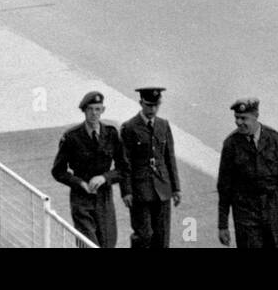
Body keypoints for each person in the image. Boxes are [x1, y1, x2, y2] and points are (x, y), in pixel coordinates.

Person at [217, 98, 278, 249]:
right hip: (246, 214)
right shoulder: (231, 144)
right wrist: (222, 225)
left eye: (243, 118)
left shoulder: (274, 139)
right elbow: (224, 188)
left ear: (256, 116)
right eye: (236, 118)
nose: (239, 122)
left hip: (272, 212)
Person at [51, 90, 128, 248]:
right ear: (84, 111)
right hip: (81, 199)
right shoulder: (72, 137)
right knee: (88, 244)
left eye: (97, 109)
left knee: (108, 242)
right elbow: (58, 171)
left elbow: (124, 168)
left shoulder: (111, 134)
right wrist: (79, 182)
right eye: (90, 109)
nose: (94, 113)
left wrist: (105, 178)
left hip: (104, 198)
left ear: (103, 110)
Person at [119, 86, 181, 248]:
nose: (152, 109)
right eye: (148, 105)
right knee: (144, 235)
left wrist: (176, 188)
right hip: (140, 191)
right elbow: (125, 162)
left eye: (156, 105)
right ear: (140, 103)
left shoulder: (163, 125)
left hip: (162, 188)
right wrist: (126, 191)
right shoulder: (130, 127)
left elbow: (170, 158)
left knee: (162, 236)